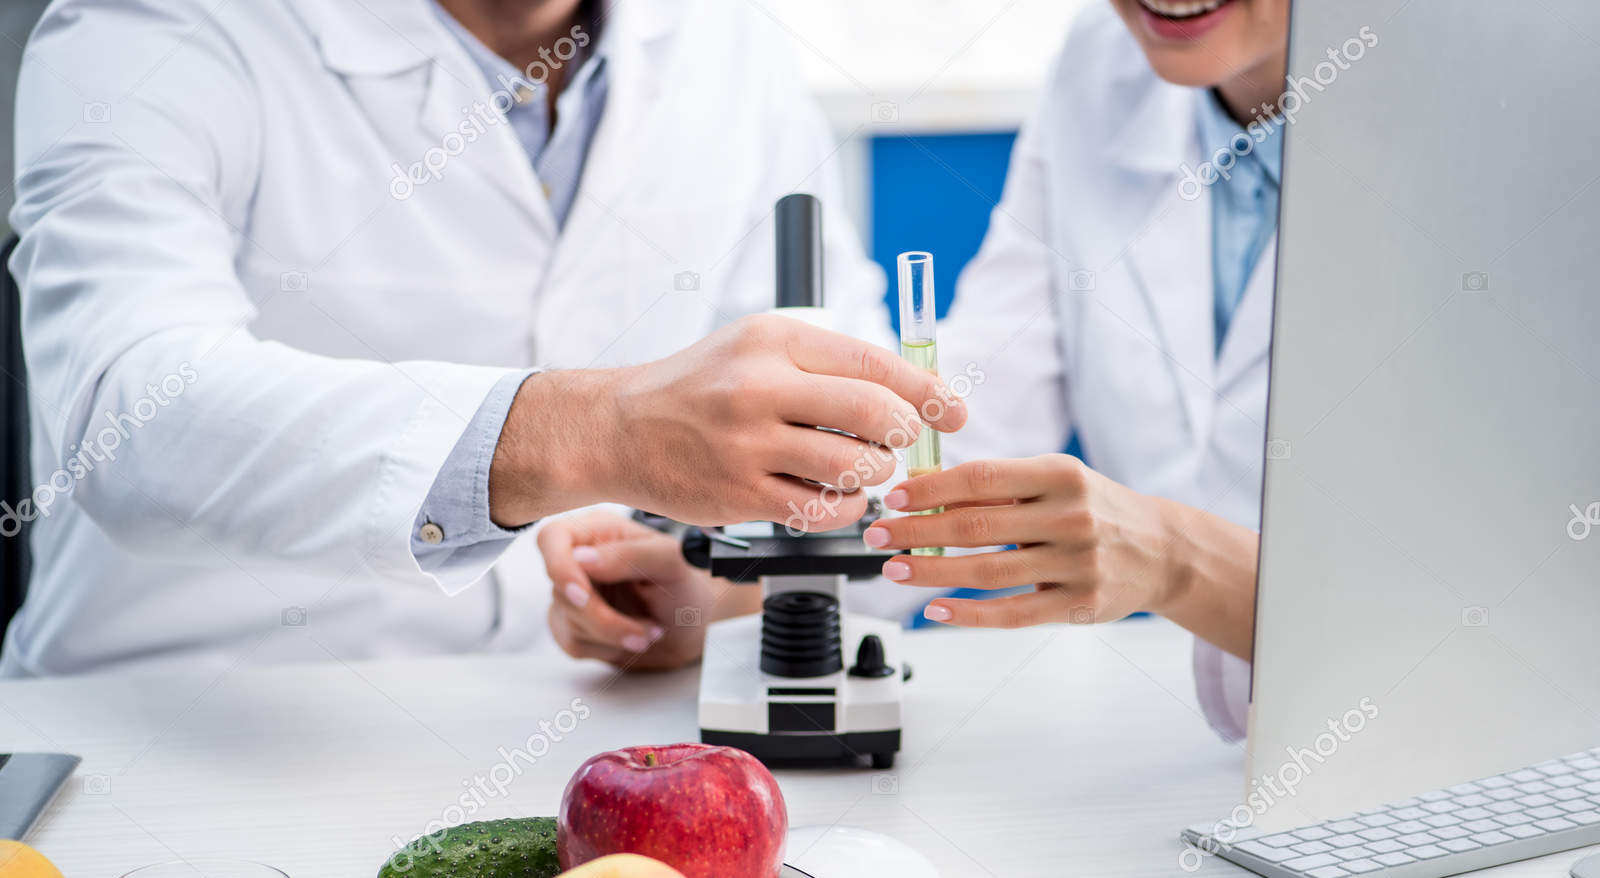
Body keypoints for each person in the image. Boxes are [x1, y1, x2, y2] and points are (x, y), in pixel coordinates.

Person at [0, 0, 962, 677]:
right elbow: (126, 414)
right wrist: (593, 433)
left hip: (561, 715)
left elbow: (839, 402)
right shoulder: (152, 30)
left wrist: (718, 592)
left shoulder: (727, 40)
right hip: (172, 723)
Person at [543, 0, 1296, 740]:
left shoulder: (1416, 123)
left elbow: (1413, 631)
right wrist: (730, 597)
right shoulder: (1103, 62)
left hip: (1383, 775)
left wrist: (1183, 562)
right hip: (1159, 756)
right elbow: (955, 440)